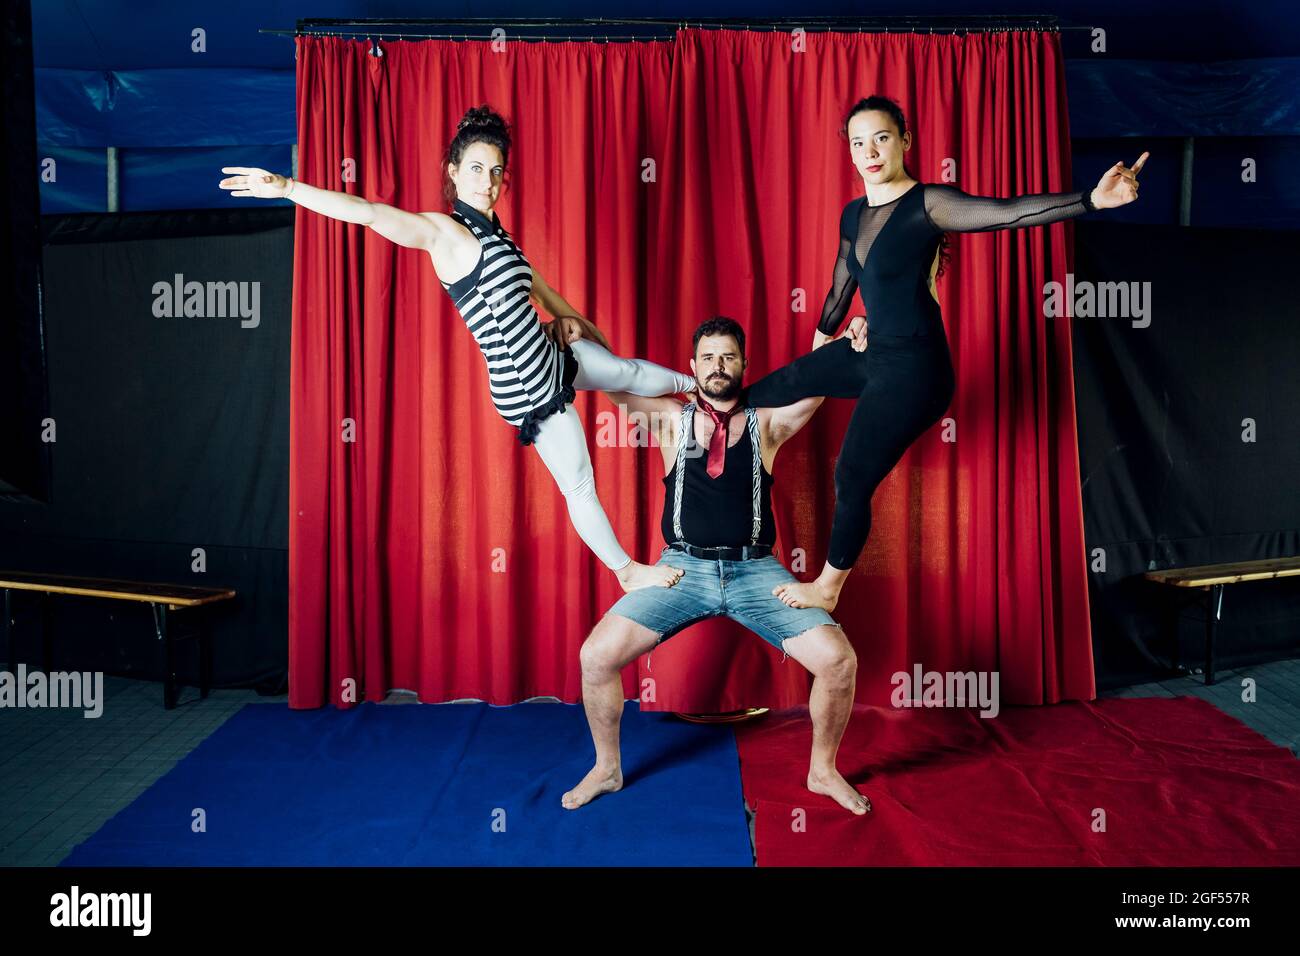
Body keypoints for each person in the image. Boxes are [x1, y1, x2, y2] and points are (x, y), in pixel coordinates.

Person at [220, 106, 697, 591]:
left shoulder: (503, 240)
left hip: (549, 353)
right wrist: (288, 188)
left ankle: (698, 388)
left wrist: (586, 336)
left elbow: (552, 298)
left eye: (495, 172)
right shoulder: (446, 234)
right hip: (526, 386)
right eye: (475, 169)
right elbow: (369, 214)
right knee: (579, 483)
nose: (487, 182)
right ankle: (627, 573)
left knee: (630, 373)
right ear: (453, 171)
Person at [744, 94, 1147, 611]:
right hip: (872, 354)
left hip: (916, 370)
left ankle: (826, 588)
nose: (870, 151)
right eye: (858, 142)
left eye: (882, 138)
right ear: (849, 151)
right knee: (766, 390)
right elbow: (842, 284)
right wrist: (822, 349)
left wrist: (1092, 200)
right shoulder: (853, 214)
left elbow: (1006, 215)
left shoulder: (928, 203)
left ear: (904, 141)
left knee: (851, 474)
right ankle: (733, 444)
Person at [562, 316, 872, 816]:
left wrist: (850, 336)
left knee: (839, 662)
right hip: (681, 572)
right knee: (596, 657)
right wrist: (579, 330)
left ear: (744, 365)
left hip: (756, 573)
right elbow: (615, 375)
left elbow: (819, 381)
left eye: (728, 356)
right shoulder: (668, 418)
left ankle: (822, 771)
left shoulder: (767, 421)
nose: (718, 366)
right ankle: (607, 768)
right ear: (692, 366)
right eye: (708, 357)